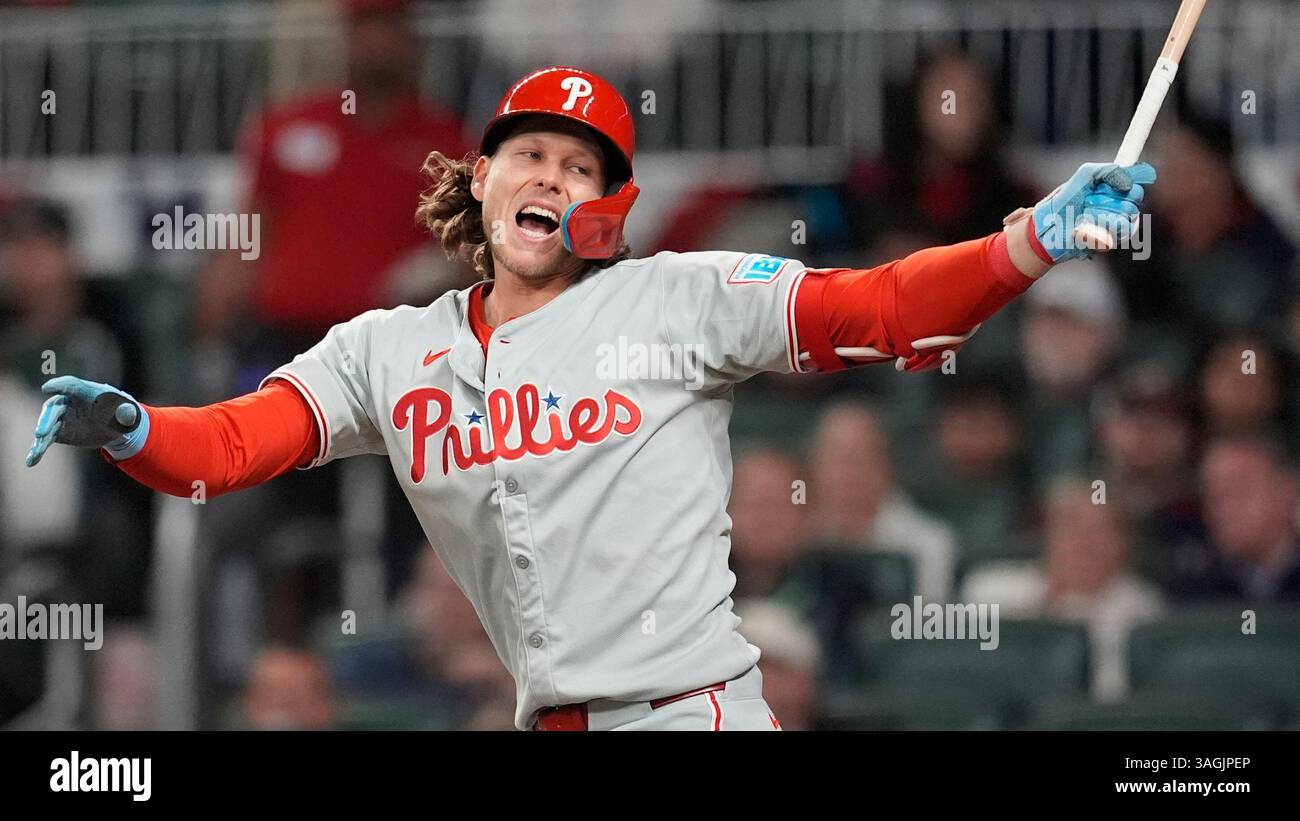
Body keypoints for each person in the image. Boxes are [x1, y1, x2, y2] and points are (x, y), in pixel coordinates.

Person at [24, 65, 1156, 730]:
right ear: (481, 179)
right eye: (530, 153)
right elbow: (226, 445)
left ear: (607, 208)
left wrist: (1030, 239)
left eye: (581, 168)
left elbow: (879, 309)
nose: (551, 178)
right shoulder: (386, 348)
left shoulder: (678, 300)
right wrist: (132, 426)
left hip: (689, 711)